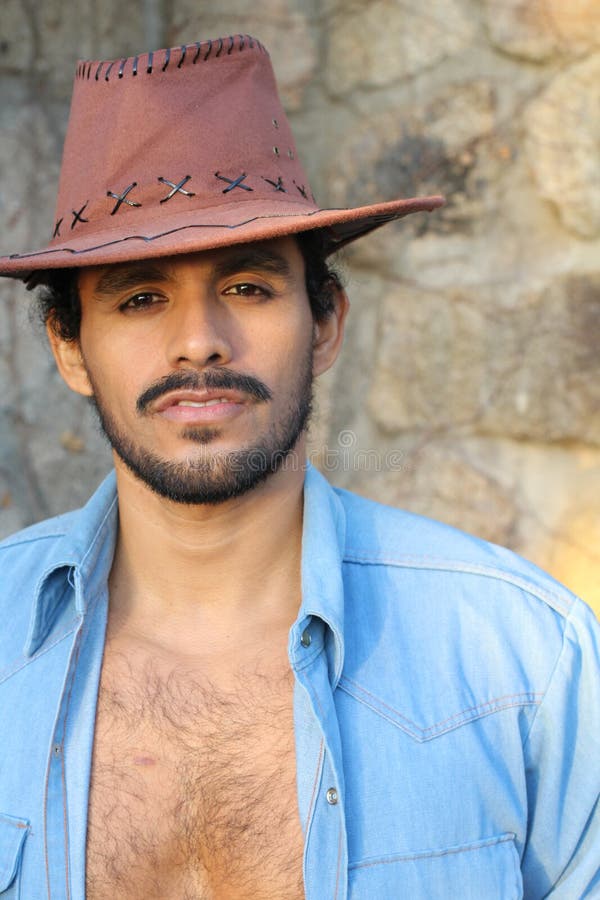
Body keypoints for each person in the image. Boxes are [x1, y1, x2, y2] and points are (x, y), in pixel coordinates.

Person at [0, 33, 598, 900]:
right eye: (140, 298)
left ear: (324, 323)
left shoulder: (521, 663)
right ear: (70, 348)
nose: (198, 339)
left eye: (247, 287)